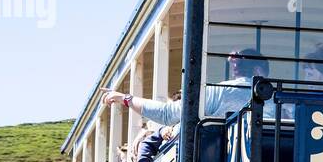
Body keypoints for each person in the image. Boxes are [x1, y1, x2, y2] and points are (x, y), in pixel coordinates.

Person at [101, 49, 270, 124]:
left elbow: (167, 114)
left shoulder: (219, 92)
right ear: (260, 71)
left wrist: (124, 98)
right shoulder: (284, 102)